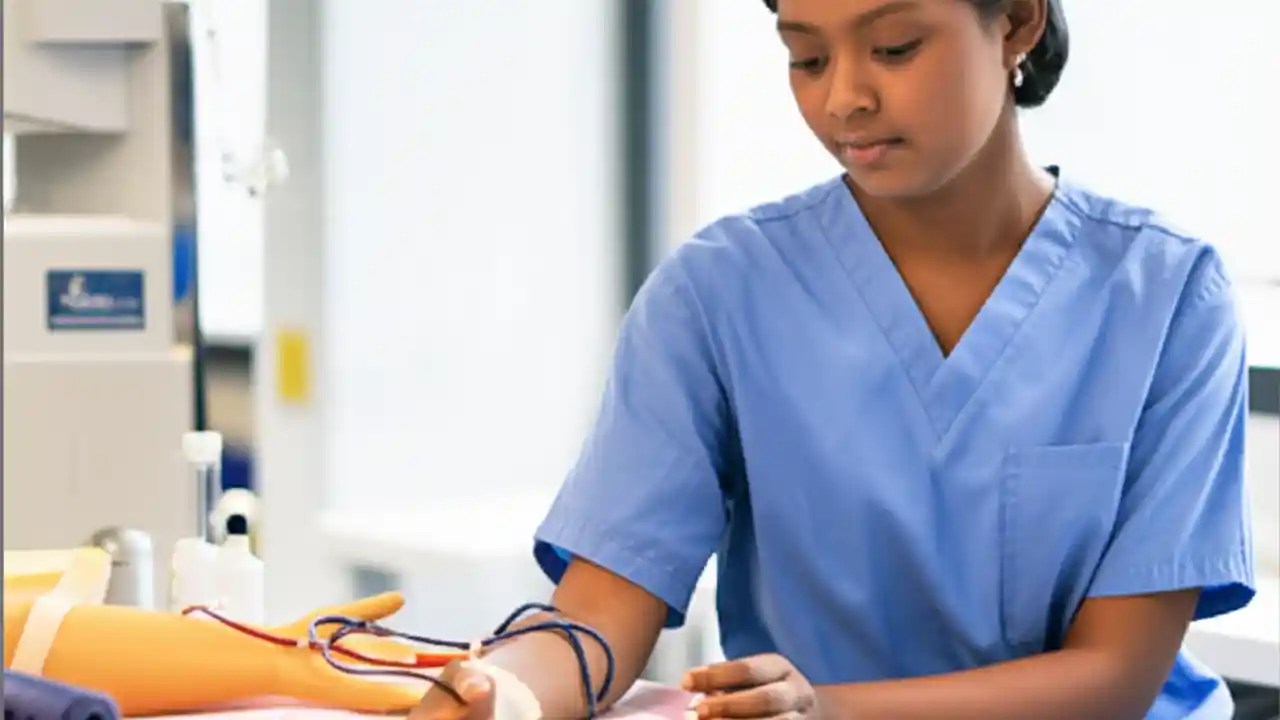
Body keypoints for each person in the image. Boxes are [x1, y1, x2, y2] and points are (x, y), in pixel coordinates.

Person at [411, 0, 1256, 717]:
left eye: (894, 48)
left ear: (1017, 23)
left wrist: (828, 708)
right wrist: (502, 691)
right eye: (805, 57)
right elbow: (598, 618)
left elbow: (1116, 676)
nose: (844, 98)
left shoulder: (1167, 293)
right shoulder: (716, 294)